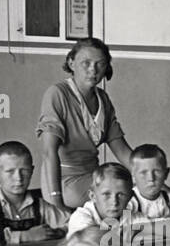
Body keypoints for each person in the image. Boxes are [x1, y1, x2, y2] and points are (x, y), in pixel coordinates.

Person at [37, 37, 135, 211]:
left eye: (100, 64)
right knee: (124, 195)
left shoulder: (103, 98)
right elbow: (48, 152)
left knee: (133, 188)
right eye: (86, 63)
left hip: (93, 177)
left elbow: (122, 151)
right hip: (63, 182)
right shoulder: (57, 94)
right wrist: (56, 203)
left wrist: (151, 176)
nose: (93, 70)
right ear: (71, 62)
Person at [0, 140, 69, 245]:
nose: (19, 178)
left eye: (25, 170)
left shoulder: (39, 205)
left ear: (32, 171)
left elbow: (72, 222)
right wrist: (26, 236)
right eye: (10, 171)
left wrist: (58, 232)